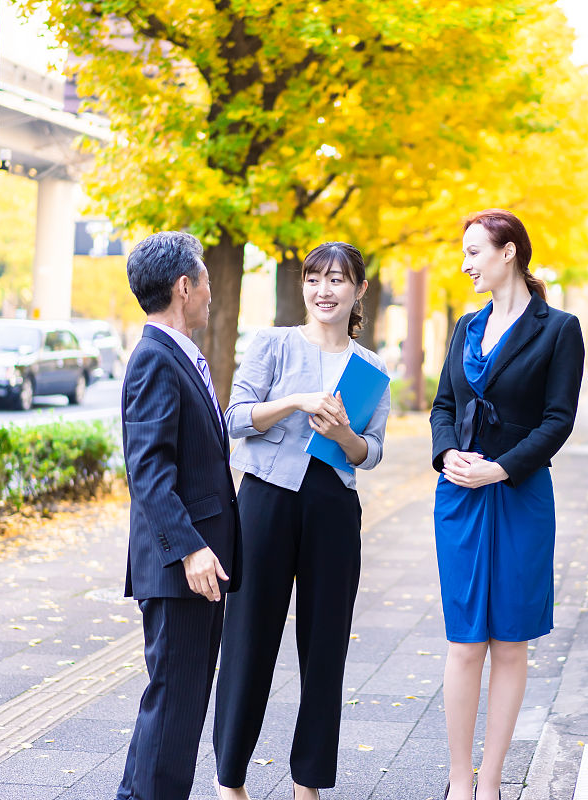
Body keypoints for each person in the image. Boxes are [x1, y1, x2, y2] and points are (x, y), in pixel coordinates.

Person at [214, 242, 391, 800]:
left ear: (359, 291)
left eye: (338, 280)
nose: (324, 290)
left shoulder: (371, 368)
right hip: (266, 500)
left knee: (325, 646)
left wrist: (345, 437)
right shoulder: (274, 343)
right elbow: (234, 419)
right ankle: (230, 779)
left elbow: (374, 450)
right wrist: (294, 401)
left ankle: (308, 783)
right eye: (315, 279)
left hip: (333, 507)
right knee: (248, 637)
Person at [431, 209, 584, 800]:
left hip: (519, 495)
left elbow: (558, 420)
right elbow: (444, 406)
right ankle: (459, 782)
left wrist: (500, 468)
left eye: (474, 251)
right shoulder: (466, 328)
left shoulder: (558, 328)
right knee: (465, 639)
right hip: (461, 497)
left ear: (509, 253)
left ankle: (490, 783)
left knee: (510, 640)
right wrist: (448, 457)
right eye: (464, 251)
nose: (466, 263)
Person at [117, 231, 242, 800]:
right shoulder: (155, 359)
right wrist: (191, 548)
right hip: (182, 565)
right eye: (207, 282)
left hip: (193, 562)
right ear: (184, 287)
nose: (213, 294)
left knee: (173, 701)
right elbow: (147, 471)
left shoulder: (176, 354)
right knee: (175, 703)